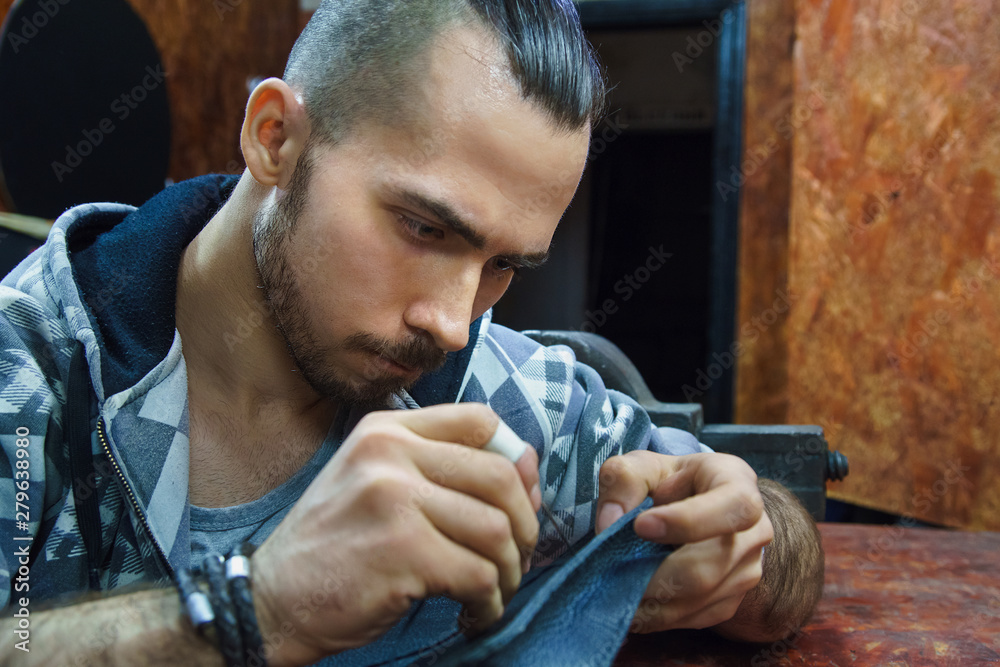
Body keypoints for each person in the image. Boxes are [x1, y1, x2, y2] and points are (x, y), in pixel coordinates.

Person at [0, 0, 808, 664]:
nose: (454, 322)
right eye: (425, 227)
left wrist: (745, 543)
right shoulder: (30, 372)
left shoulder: (491, 392)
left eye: (504, 266)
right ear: (275, 136)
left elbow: (787, 546)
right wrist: (259, 610)